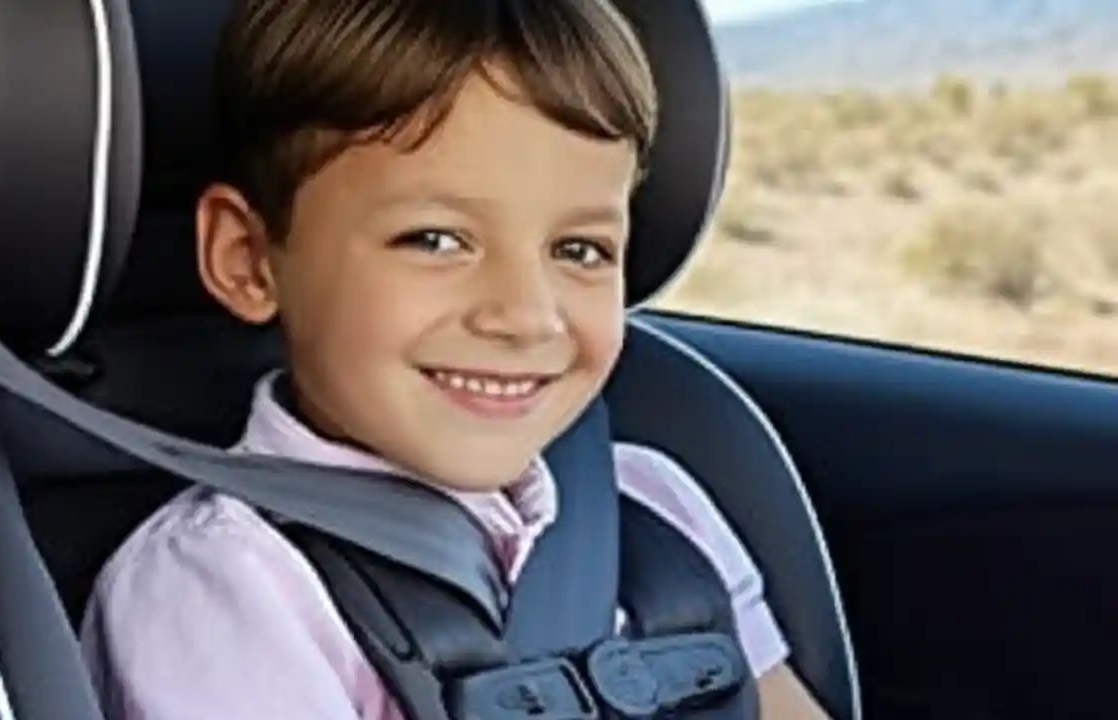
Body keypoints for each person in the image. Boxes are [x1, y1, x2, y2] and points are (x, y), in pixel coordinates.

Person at [80, 0, 830, 717]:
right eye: (436, 240)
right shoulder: (223, 586)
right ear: (247, 258)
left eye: (579, 250)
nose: (525, 316)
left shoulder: (654, 508)